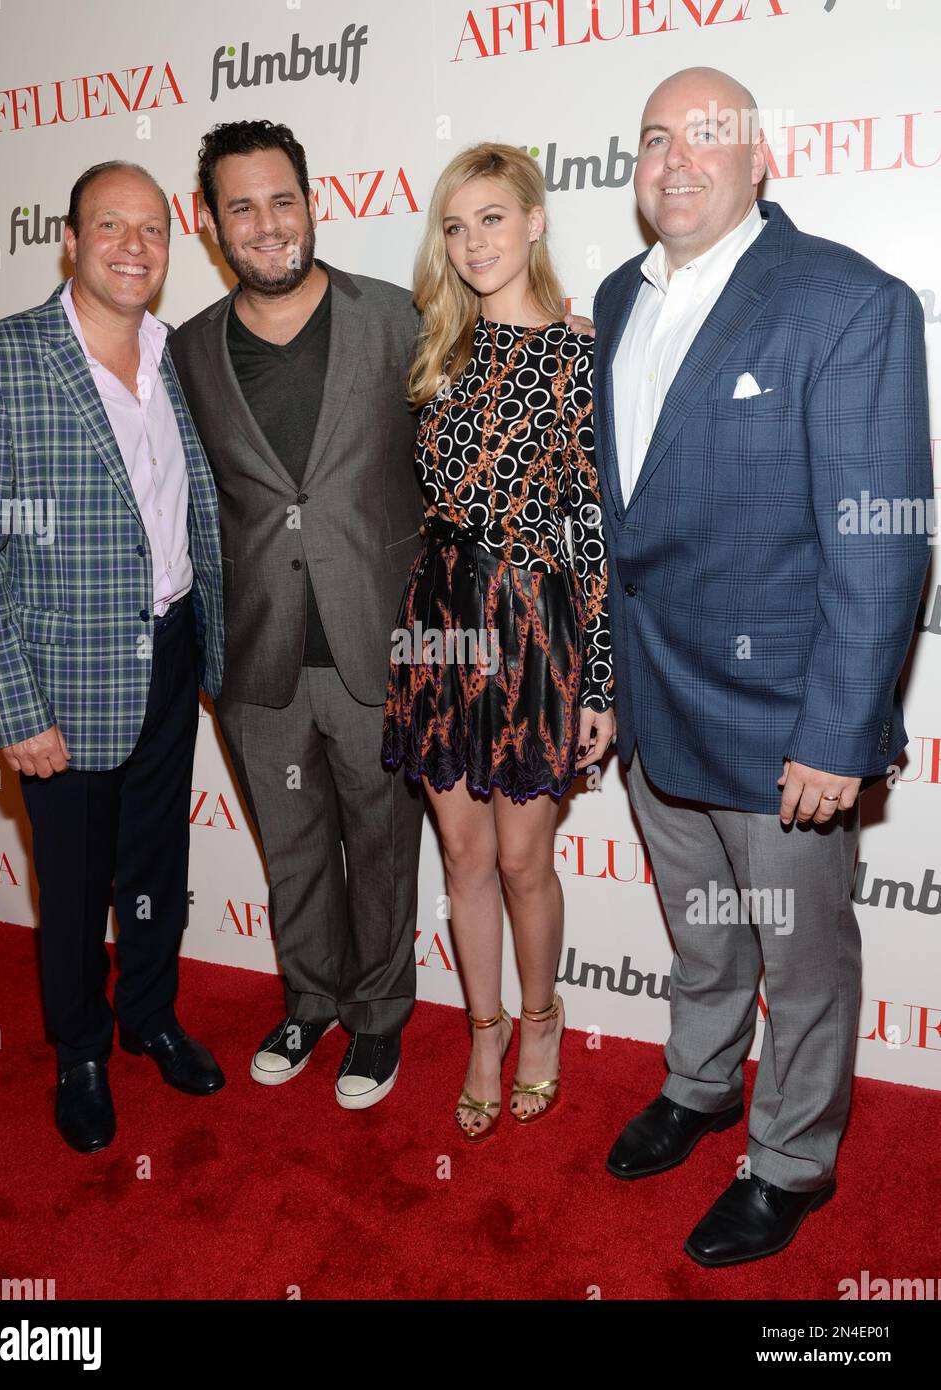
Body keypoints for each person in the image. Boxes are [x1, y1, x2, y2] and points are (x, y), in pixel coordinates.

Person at [594, 68, 931, 1264]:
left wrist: (840, 734)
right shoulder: (614, 301)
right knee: (700, 929)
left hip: (785, 724)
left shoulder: (846, 302)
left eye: (706, 137)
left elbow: (880, 539)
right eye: (651, 141)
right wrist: (604, 687)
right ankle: (698, 1084)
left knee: (801, 950)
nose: (674, 161)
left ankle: (791, 1158)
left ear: (758, 160)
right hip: (654, 706)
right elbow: (622, 529)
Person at [0, 162, 227, 1154]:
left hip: (172, 642)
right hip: (61, 672)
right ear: (68, 240)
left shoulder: (178, 357)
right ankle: (80, 1048)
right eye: (109, 225)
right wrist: (13, 707)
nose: (132, 245)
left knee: (157, 856)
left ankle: (148, 1013)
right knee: (71, 878)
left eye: (150, 229)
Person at [169, 121, 427, 1109]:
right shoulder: (187, 352)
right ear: (211, 224)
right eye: (243, 206)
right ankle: (309, 999)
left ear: (312, 200)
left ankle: (376, 1019)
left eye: (283, 199)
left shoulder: (396, 319)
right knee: (293, 848)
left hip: (379, 642)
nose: (268, 223)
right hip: (255, 651)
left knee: (383, 847)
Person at [382, 144, 616, 1143]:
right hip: (437, 622)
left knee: (525, 861)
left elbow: (596, 524)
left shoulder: (579, 355)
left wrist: (599, 678)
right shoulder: (433, 349)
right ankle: (483, 1035)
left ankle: (542, 1019)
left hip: (533, 627)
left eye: (490, 217)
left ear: (533, 221)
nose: (472, 240)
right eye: (453, 223)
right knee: (462, 855)